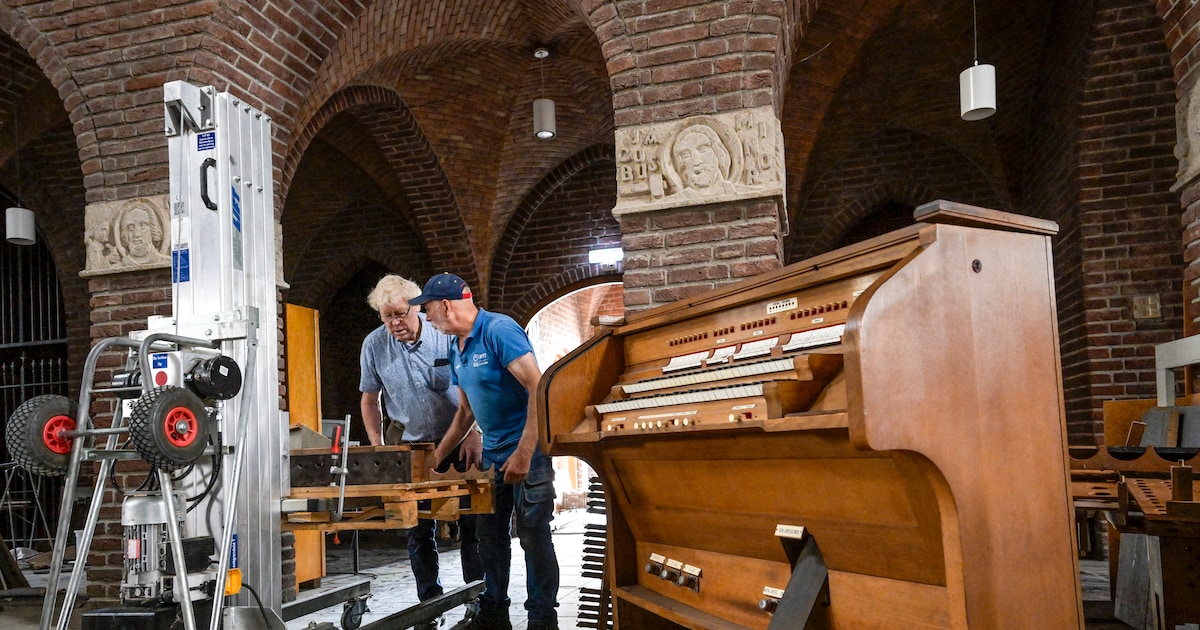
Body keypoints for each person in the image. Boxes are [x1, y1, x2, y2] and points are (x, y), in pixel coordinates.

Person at [413, 273, 560, 630]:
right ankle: (494, 612)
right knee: (489, 537)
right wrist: (433, 464)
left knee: (532, 533)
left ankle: (542, 619)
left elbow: (538, 388)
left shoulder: (499, 330)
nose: (427, 318)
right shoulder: (456, 345)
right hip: (493, 455)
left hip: (530, 450)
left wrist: (524, 454)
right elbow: (465, 413)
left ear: (446, 305)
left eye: (428, 309)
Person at [358, 274, 484, 629]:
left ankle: (476, 599)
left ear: (416, 307)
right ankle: (429, 606)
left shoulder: (443, 335)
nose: (396, 322)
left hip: (459, 441)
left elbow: (472, 386)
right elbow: (370, 398)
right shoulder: (374, 346)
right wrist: (377, 445)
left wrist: (475, 430)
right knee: (418, 529)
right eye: (387, 316)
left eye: (400, 313)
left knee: (472, 525)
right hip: (413, 447)